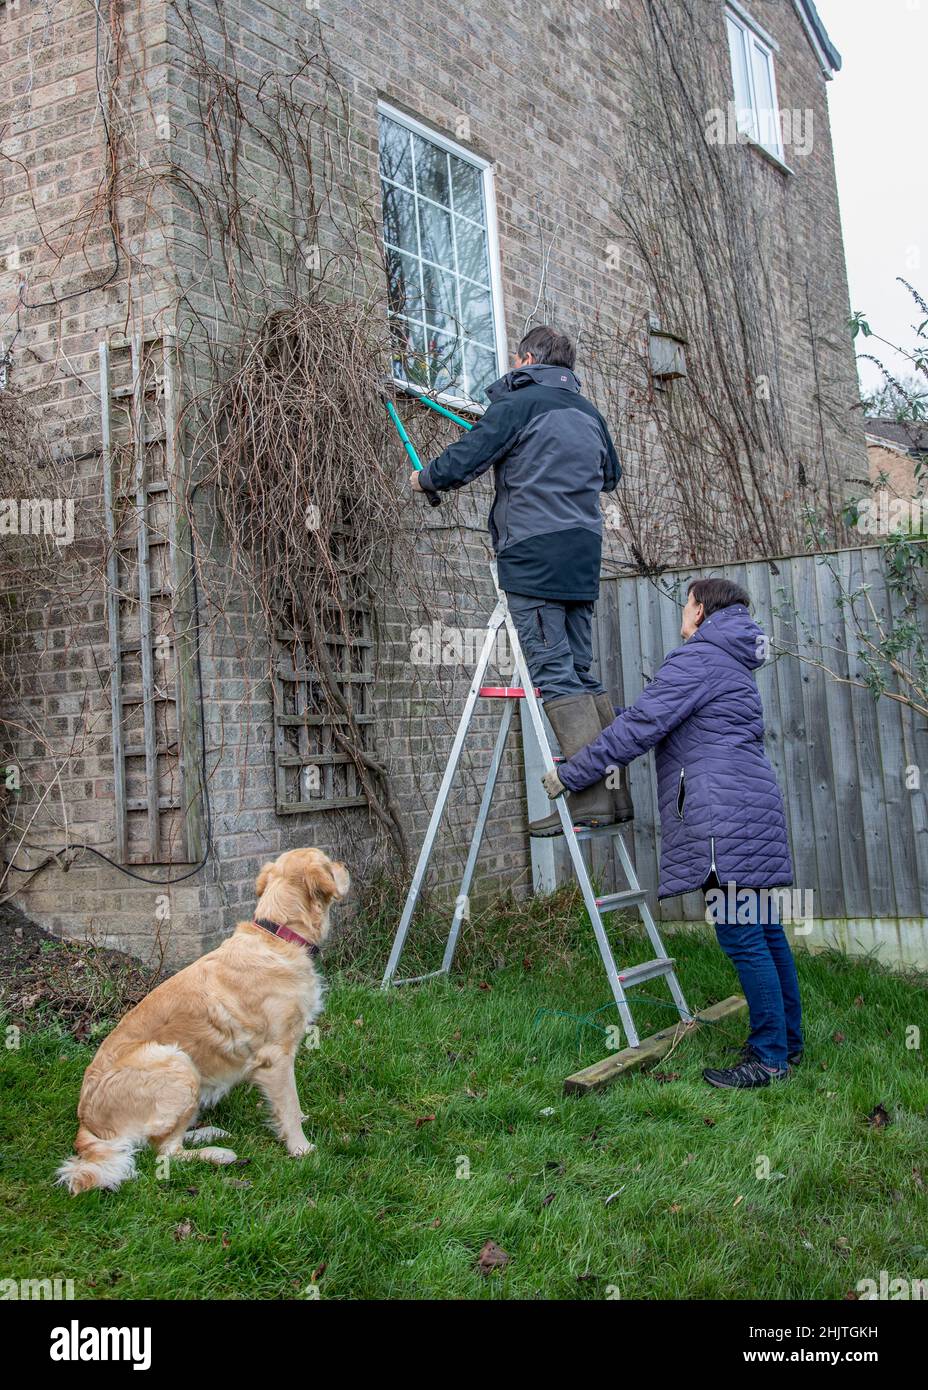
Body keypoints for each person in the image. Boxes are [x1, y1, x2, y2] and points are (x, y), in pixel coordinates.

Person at [540, 577, 802, 1089]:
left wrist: (572, 774)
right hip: (749, 812)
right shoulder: (734, 660)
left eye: (686, 604)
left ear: (701, 610)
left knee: (744, 935)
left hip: (719, 818)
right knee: (765, 931)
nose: (682, 614)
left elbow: (639, 725)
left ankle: (770, 1059)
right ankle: (785, 1044)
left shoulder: (699, 659)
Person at [411, 324, 631, 835]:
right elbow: (610, 476)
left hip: (534, 555)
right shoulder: (588, 414)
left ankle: (591, 796)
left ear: (527, 358)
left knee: (554, 675)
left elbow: (468, 457)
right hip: (582, 559)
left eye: (515, 358)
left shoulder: (519, 402)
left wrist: (426, 478)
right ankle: (615, 798)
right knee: (582, 674)